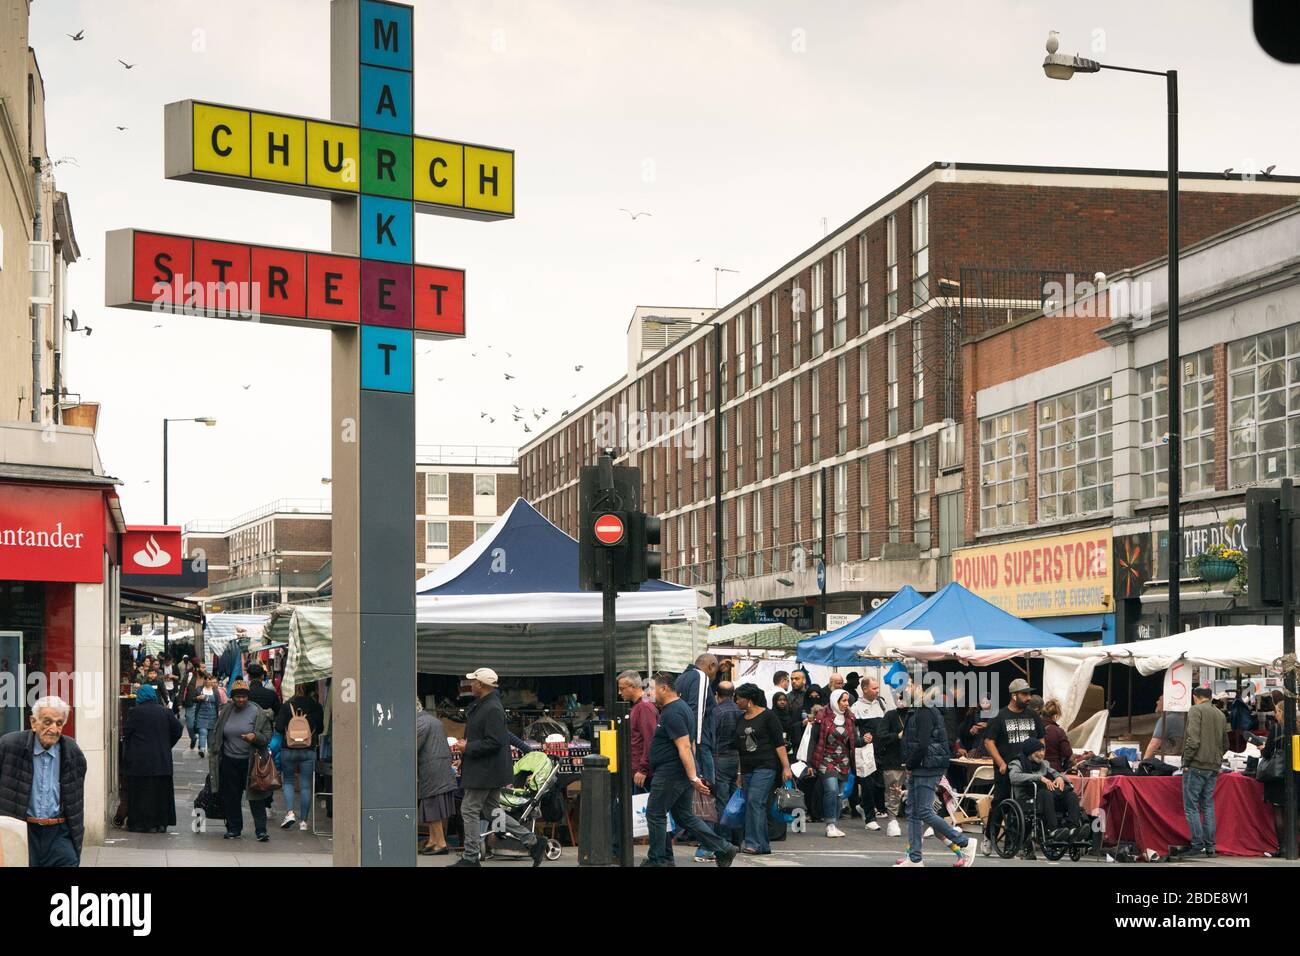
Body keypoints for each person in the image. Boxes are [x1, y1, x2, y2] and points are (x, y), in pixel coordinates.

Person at [641, 672, 738, 868]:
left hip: (670, 772)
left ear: (664, 688)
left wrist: (693, 776)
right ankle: (723, 847)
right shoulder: (680, 708)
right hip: (678, 772)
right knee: (684, 816)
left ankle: (658, 860)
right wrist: (691, 774)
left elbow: (685, 746)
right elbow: (691, 744)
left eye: (652, 688)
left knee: (655, 813)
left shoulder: (673, 711)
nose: (649, 693)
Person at [453, 667, 547, 868]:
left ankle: (471, 857)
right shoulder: (487, 705)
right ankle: (533, 841)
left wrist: (467, 747)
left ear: (481, 684)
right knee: (491, 811)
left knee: (469, 809)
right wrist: (466, 755)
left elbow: (494, 741)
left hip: (485, 771)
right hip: (488, 769)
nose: (471, 684)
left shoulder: (492, 708)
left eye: (474, 681)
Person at [895, 684, 978, 867]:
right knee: (914, 813)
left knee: (923, 811)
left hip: (926, 766)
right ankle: (915, 859)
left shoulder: (925, 711)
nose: (907, 688)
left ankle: (964, 842)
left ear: (922, 691)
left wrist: (909, 763)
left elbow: (923, 744)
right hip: (923, 766)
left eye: (912, 685)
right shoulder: (921, 710)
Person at [0, 696, 87, 866]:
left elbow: (76, 799)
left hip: (58, 834)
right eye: (47, 722)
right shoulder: (9, 746)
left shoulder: (72, 751)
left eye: (59, 723)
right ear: (33, 722)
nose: (53, 729)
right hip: (23, 830)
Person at [983, 678, 1045, 850]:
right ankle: (989, 837)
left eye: (1029, 693)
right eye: (1025, 694)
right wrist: (1001, 763)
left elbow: (1041, 739)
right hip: (1006, 770)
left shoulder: (1033, 716)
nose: (1028, 697)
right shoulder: (999, 716)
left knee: (1026, 805)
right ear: (1013, 696)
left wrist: (1041, 756)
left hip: (1027, 769)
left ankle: (1016, 842)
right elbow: (989, 742)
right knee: (1000, 803)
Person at [209, 680, 273, 841]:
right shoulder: (226, 711)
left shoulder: (257, 712)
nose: (240, 700)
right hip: (230, 761)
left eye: (244, 696)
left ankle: (261, 830)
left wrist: (255, 737)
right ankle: (234, 828)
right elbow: (218, 733)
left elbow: (267, 736)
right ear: (232, 697)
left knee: (256, 796)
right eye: (237, 697)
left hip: (251, 762)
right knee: (231, 796)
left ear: (248, 697)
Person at [733, 683, 793, 855]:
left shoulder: (768, 716)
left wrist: (786, 767)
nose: (736, 701)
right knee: (753, 804)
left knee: (755, 802)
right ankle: (762, 845)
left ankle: (754, 843)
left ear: (749, 700)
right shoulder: (741, 718)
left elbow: (779, 744)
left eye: (739, 698)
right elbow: (739, 748)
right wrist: (738, 772)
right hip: (746, 768)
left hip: (765, 767)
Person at [1174, 685, 1228, 859]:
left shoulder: (1195, 710)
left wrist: (1186, 761)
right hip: (1213, 766)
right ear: (1210, 697)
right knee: (1208, 805)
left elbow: (1193, 739)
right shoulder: (1220, 714)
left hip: (1196, 764)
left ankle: (1197, 844)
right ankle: (1210, 846)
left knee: (1191, 806)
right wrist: (1216, 757)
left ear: (1194, 696)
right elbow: (1225, 743)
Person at [121, 683, 183, 833]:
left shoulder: (134, 712)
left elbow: (127, 733)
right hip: (162, 761)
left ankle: (141, 823)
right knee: (160, 793)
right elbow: (178, 730)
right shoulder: (165, 712)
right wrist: (167, 745)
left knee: (142, 793)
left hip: (140, 762)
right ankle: (160, 823)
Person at [1008, 739, 1085, 852]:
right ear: (1029, 751)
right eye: (1038, 751)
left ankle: (1073, 828)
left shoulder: (1044, 764)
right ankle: (1053, 830)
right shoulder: (1017, 762)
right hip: (1027, 797)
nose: (1041, 754)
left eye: (1043, 751)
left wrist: (1059, 777)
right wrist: (1039, 778)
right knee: (1045, 794)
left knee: (1071, 796)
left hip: (1045, 797)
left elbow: (1055, 773)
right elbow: (1014, 777)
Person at [274, 682, 324, 831]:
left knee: (288, 781)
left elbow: (278, 727)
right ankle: (304, 822)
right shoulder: (316, 707)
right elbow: (320, 729)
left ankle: (290, 813)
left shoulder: (287, 705)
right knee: (306, 785)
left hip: (288, 748)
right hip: (308, 749)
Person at [810, 688, 858, 838]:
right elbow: (814, 739)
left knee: (839, 794)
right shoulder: (822, 717)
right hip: (826, 759)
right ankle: (829, 824)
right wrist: (810, 763)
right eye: (843, 700)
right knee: (831, 790)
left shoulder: (850, 718)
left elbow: (854, 741)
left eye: (847, 700)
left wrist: (866, 740)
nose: (846, 703)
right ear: (835, 701)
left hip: (844, 762)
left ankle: (834, 823)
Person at [1258, 696, 1299, 854]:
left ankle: (1283, 847)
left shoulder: (1277, 729)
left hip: (1278, 775)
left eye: (1276, 712)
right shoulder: (1297, 727)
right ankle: (1294, 845)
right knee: (1295, 811)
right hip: (1296, 773)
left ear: (1282, 712)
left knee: (1279, 811)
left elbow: (1268, 752)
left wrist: (1262, 748)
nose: (1275, 715)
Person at [416, 697, 457, 855]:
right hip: (439, 768)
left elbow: (412, 745)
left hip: (431, 769)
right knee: (433, 807)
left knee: (433, 808)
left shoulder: (420, 723)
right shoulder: (431, 720)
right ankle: (433, 840)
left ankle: (440, 843)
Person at [674, 653, 719, 788]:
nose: (714, 677)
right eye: (715, 672)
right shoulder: (700, 676)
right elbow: (697, 710)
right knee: (706, 789)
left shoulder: (681, 678)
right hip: (698, 743)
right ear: (711, 666)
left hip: (683, 740)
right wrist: (694, 741)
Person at [708, 681, 742, 854]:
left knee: (721, 800)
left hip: (719, 757)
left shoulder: (716, 711)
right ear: (733, 693)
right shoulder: (740, 711)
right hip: (736, 758)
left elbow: (712, 738)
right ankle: (738, 837)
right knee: (735, 798)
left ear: (717, 694)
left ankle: (724, 839)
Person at [851, 677, 889, 829]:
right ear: (864, 689)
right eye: (874, 688)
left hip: (881, 750)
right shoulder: (856, 708)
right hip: (865, 751)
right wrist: (861, 738)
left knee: (879, 784)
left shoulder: (881, 703)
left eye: (877, 688)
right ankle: (870, 819)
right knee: (867, 784)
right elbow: (852, 731)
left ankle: (862, 805)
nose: (877, 691)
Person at [619, 670, 658, 795]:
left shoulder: (643, 707)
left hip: (644, 774)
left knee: (644, 812)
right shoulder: (640, 706)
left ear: (632, 687)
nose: (620, 693)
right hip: (641, 772)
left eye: (622, 688)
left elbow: (650, 739)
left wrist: (643, 769)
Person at [878, 688, 908, 837]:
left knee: (917, 791)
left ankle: (921, 820)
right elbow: (881, 736)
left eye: (903, 697)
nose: (900, 700)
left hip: (912, 760)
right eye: (898, 698)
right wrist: (897, 736)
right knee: (892, 790)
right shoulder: (890, 715)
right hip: (893, 759)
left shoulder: (916, 714)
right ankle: (892, 820)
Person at [192, 674, 222, 758]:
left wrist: (219, 712)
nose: (207, 681)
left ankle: (210, 750)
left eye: (209, 679)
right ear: (204, 680)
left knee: (210, 734)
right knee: (203, 732)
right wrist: (198, 698)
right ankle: (202, 749)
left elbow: (218, 702)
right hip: (201, 714)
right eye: (206, 679)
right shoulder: (199, 689)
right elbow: (192, 699)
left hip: (213, 715)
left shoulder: (215, 691)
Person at [1041, 699, 1074, 772]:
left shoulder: (1034, 727)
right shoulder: (1058, 731)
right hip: (1053, 770)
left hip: (1036, 768)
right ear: (1055, 716)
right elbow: (1067, 753)